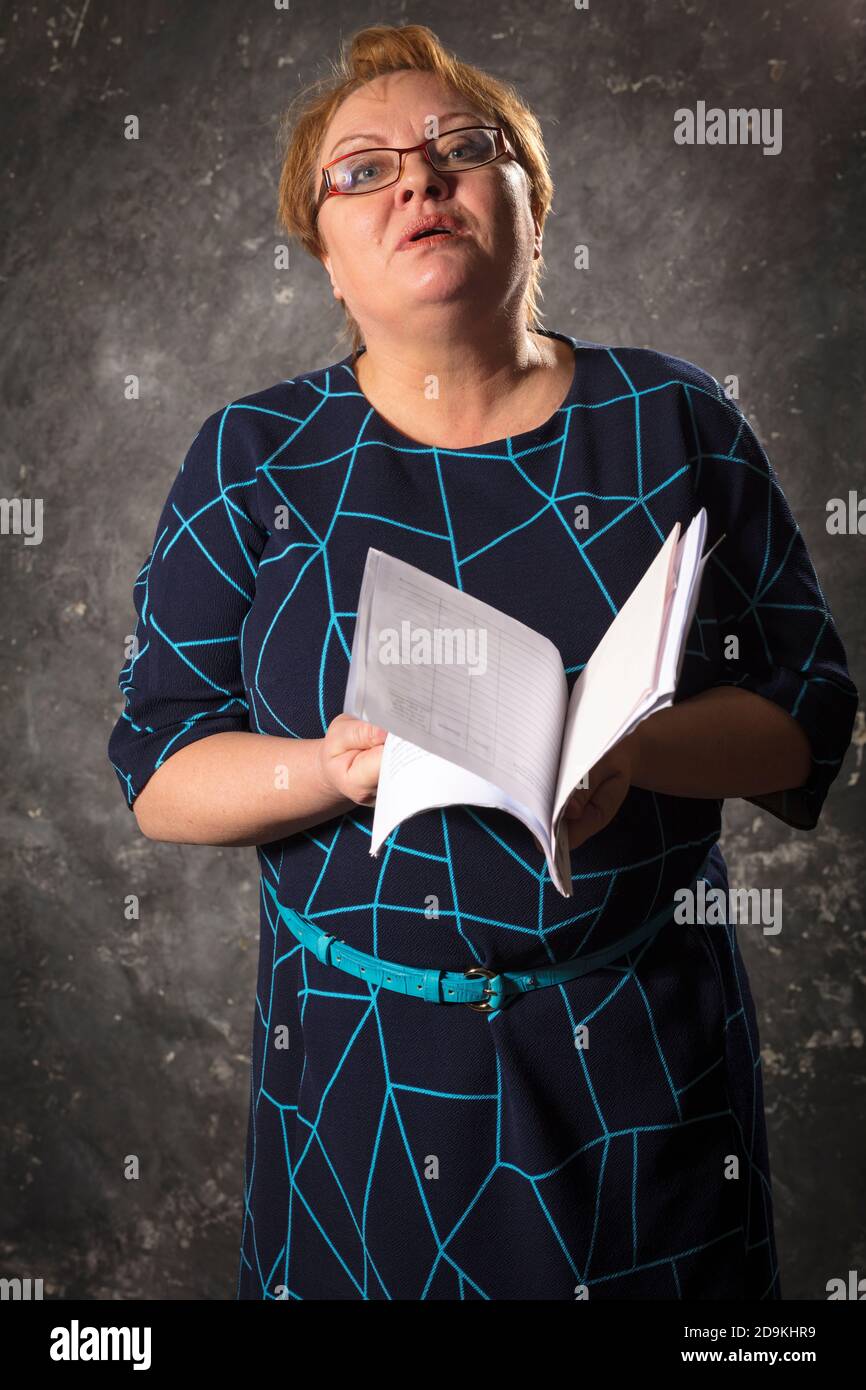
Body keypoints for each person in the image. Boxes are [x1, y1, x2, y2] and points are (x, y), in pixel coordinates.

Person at [107, 24, 858, 1301]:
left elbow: (800, 715)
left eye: (464, 149)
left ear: (529, 202)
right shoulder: (252, 455)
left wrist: (634, 746)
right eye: (365, 170)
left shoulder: (670, 416)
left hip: (639, 1059)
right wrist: (329, 768)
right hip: (358, 1071)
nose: (419, 180)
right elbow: (161, 768)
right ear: (327, 258)